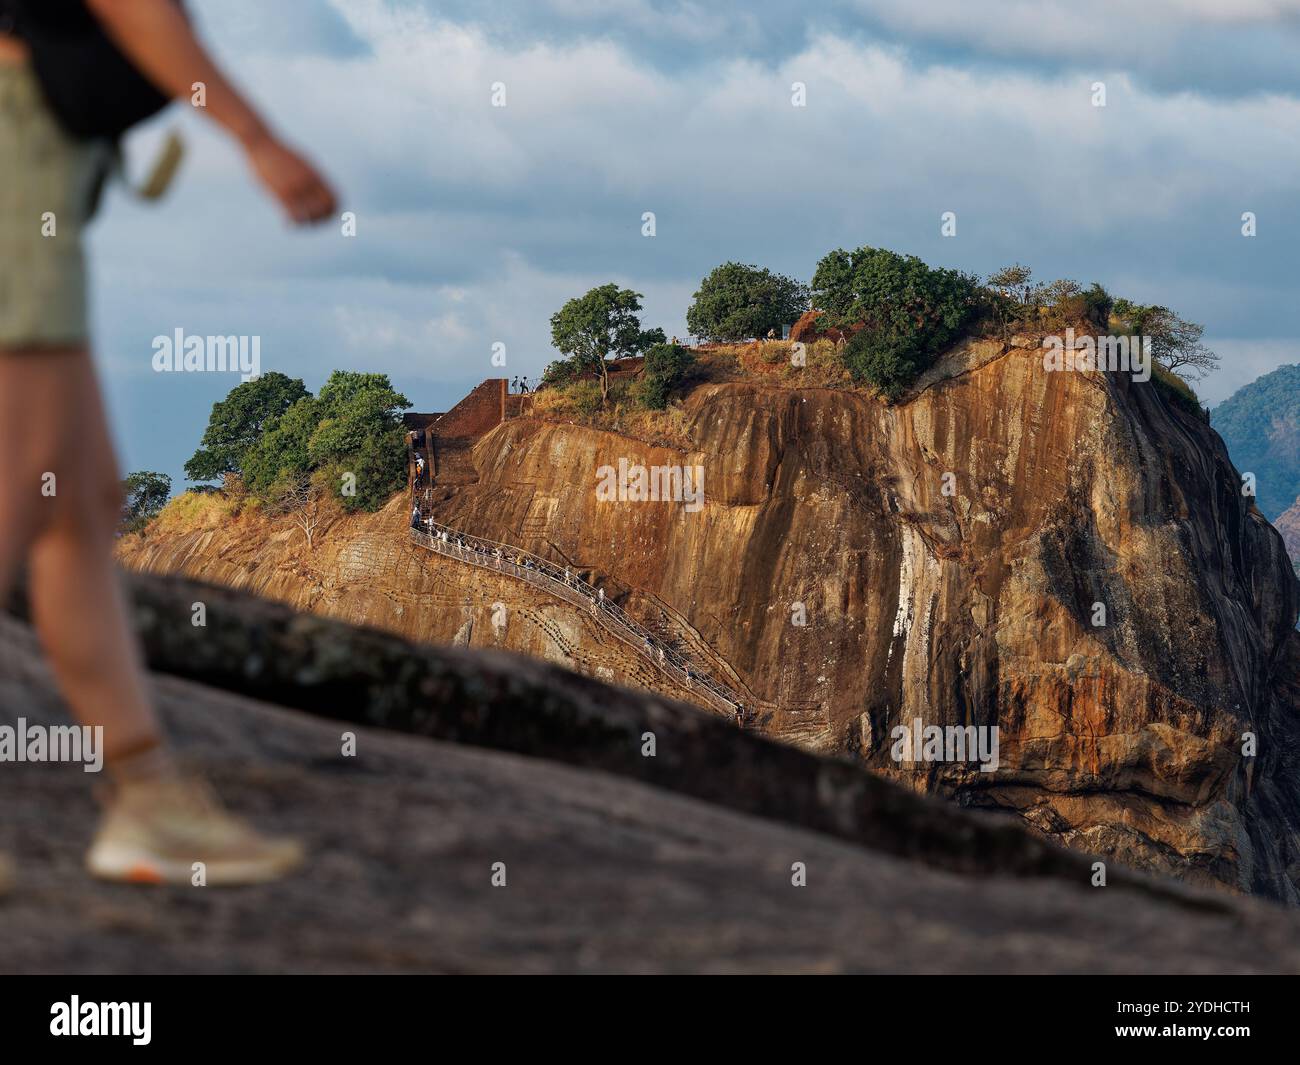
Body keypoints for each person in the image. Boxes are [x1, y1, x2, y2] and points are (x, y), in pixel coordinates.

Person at [0, 0, 336, 889]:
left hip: (35, 147)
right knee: (22, 481)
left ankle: (148, 796)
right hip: (15, 139)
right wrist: (255, 137)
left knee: (79, 501)